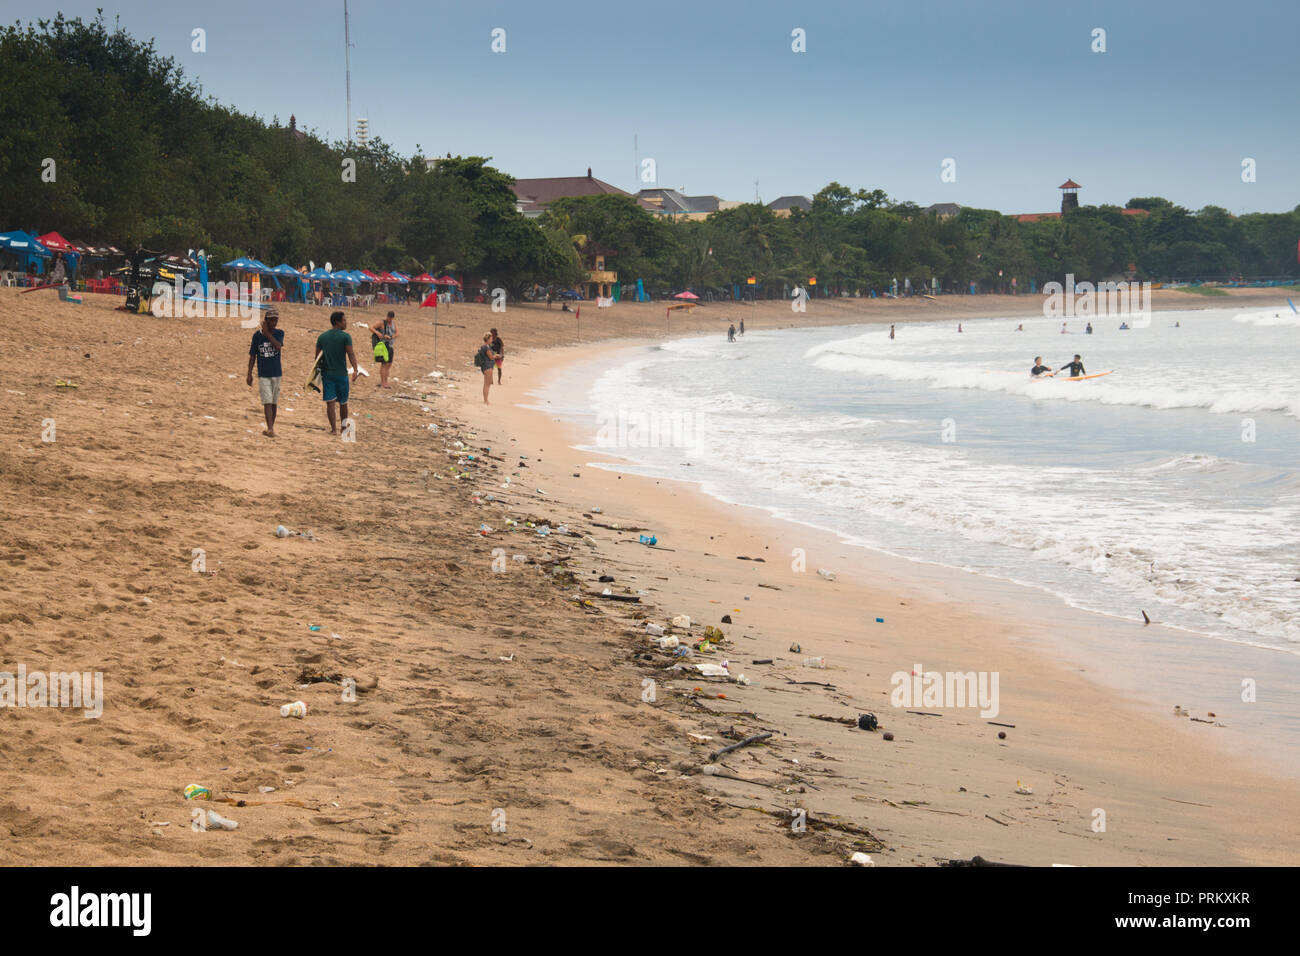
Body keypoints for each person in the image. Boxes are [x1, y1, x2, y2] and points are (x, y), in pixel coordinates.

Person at [314, 310, 359, 435]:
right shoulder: (346, 337)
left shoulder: (322, 337)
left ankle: (333, 429)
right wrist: (355, 369)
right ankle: (343, 428)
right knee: (343, 403)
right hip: (341, 375)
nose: (346, 322)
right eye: (344, 320)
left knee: (330, 403)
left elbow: (317, 358)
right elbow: (350, 354)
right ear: (337, 322)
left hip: (327, 374)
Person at [247, 308, 285, 437]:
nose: (274, 322)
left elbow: (278, 346)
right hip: (263, 374)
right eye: (271, 320)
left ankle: (271, 427)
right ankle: (270, 428)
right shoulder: (257, 336)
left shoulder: (279, 333)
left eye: (276, 320)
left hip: (276, 373)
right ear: (266, 321)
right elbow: (253, 355)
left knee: (274, 402)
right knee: (267, 402)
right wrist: (249, 373)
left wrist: (267, 333)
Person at [372, 310, 397, 389]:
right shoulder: (382, 322)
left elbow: (397, 333)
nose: (389, 320)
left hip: (390, 345)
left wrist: (392, 337)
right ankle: (383, 383)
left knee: (389, 364)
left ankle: (385, 381)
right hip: (384, 346)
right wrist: (379, 334)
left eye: (391, 319)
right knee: (384, 364)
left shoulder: (393, 324)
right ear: (387, 317)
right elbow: (371, 327)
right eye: (388, 318)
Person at [474, 334, 499, 404]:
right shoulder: (486, 347)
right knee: (486, 384)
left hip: (487, 366)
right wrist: (496, 356)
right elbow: (491, 357)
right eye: (491, 339)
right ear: (487, 339)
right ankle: (486, 400)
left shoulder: (484, 346)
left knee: (489, 383)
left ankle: (486, 399)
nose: (492, 340)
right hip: (487, 366)